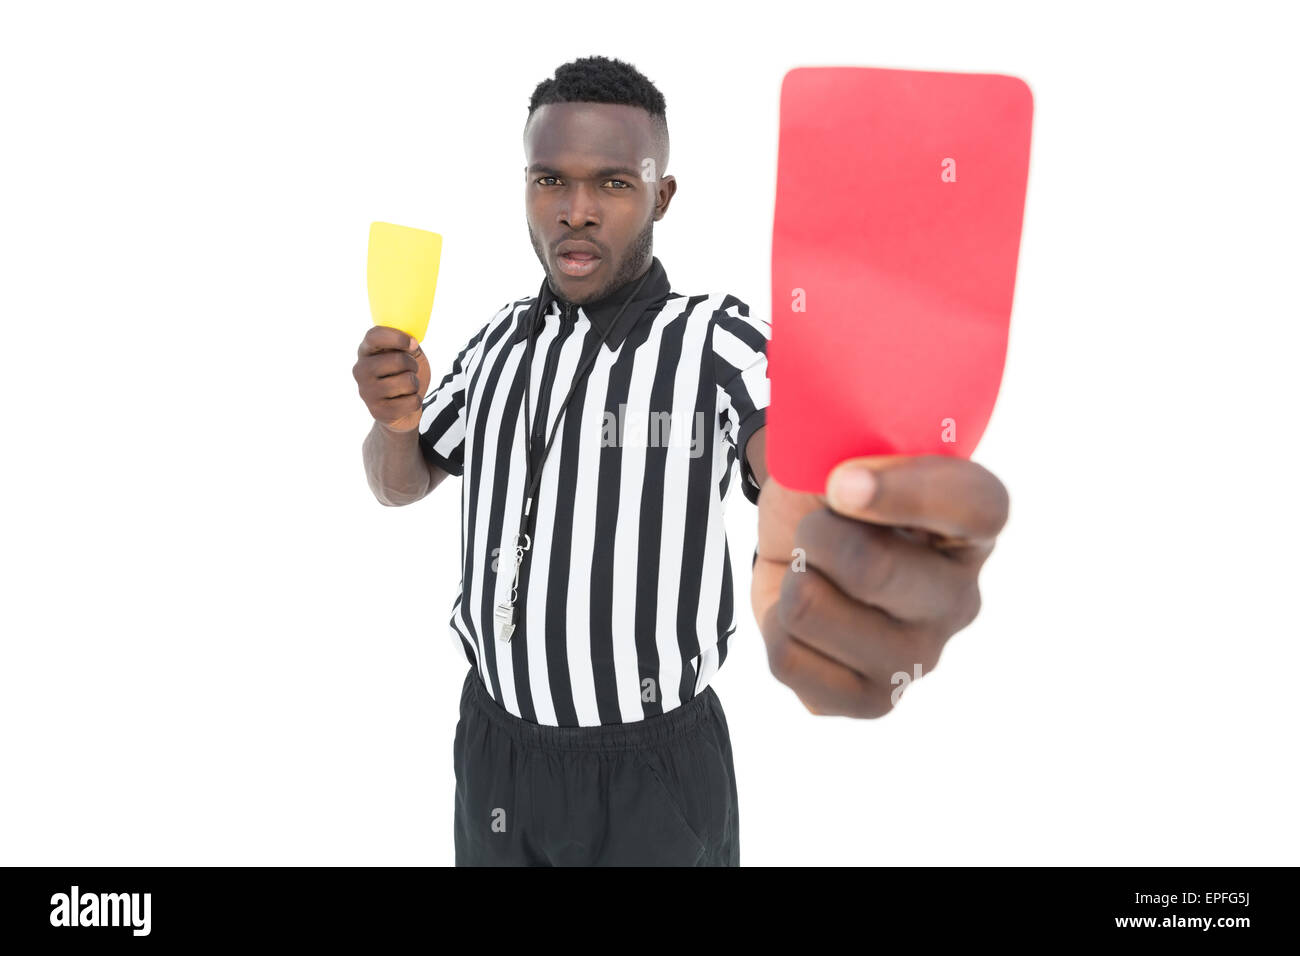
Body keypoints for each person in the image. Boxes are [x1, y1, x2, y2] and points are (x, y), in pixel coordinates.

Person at [352, 56, 1010, 866]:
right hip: (495, 749)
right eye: (551, 181)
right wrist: (395, 421)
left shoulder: (716, 342)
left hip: (654, 772)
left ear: (661, 196)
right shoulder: (494, 342)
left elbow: (790, 453)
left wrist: (851, 514)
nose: (577, 210)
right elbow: (402, 481)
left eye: (614, 183)